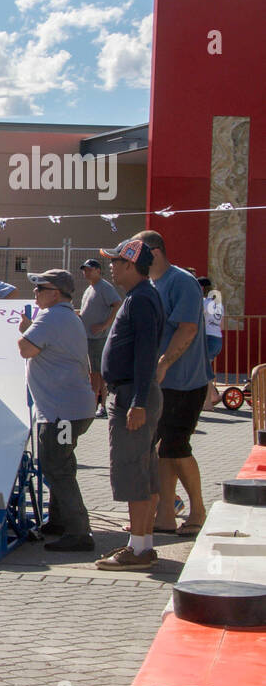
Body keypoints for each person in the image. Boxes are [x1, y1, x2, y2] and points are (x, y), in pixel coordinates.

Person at [135, 230, 211, 537]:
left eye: (135, 253)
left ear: (154, 252)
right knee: (162, 450)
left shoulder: (181, 281)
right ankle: (165, 514)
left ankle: (198, 510)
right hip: (162, 382)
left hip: (185, 381)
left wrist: (164, 362)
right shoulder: (153, 284)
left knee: (177, 446)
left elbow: (188, 329)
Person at [96, 239, 165, 571]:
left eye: (115, 261)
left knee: (133, 473)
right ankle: (143, 545)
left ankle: (137, 550)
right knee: (144, 471)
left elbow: (145, 354)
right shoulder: (141, 297)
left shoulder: (140, 300)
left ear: (129, 265)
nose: (110, 266)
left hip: (132, 397)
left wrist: (137, 402)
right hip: (134, 394)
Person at [17, 269, 97, 552]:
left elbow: (26, 348)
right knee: (61, 463)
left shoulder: (52, 317)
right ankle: (60, 520)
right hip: (69, 409)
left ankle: (78, 531)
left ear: (55, 293)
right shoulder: (66, 316)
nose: (35, 293)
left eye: (40, 288)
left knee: (57, 468)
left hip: (62, 412)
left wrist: (26, 328)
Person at [78, 258, 122, 418]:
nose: (86, 272)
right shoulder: (90, 288)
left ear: (98, 270)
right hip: (88, 337)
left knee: (97, 373)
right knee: (94, 372)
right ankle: (97, 405)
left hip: (98, 338)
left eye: (90, 269)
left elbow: (117, 303)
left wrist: (104, 325)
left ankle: (99, 406)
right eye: (85, 269)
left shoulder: (104, 287)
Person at [199, 277, 223, 410]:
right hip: (218, 337)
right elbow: (222, 323)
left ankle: (207, 403)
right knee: (207, 369)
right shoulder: (219, 304)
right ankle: (213, 396)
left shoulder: (204, 302)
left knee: (205, 372)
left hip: (207, 338)